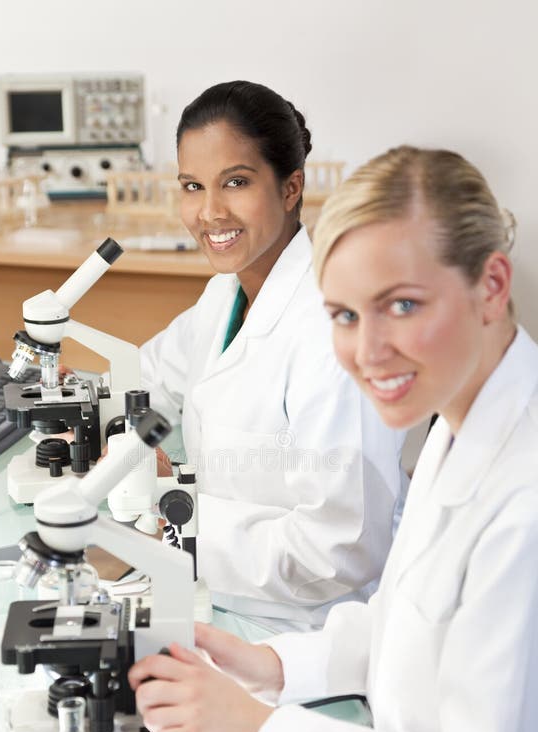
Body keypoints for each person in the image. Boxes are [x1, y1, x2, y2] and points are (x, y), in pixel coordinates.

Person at [129, 146, 538, 732]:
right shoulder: (459, 417)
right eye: (344, 317)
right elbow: (412, 620)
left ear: (491, 285)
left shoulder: (524, 507)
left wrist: (250, 731)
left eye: (403, 306)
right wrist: (278, 666)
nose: (365, 352)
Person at [139, 80, 405, 631]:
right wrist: (95, 418)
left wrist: (166, 514)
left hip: (306, 631)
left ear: (290, 189)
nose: (209, 212)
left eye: (235, 182)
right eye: (192, 185)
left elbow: (338, 550)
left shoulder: (332, 329)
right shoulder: (225, 293)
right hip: (213, 598)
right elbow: (150, 385)